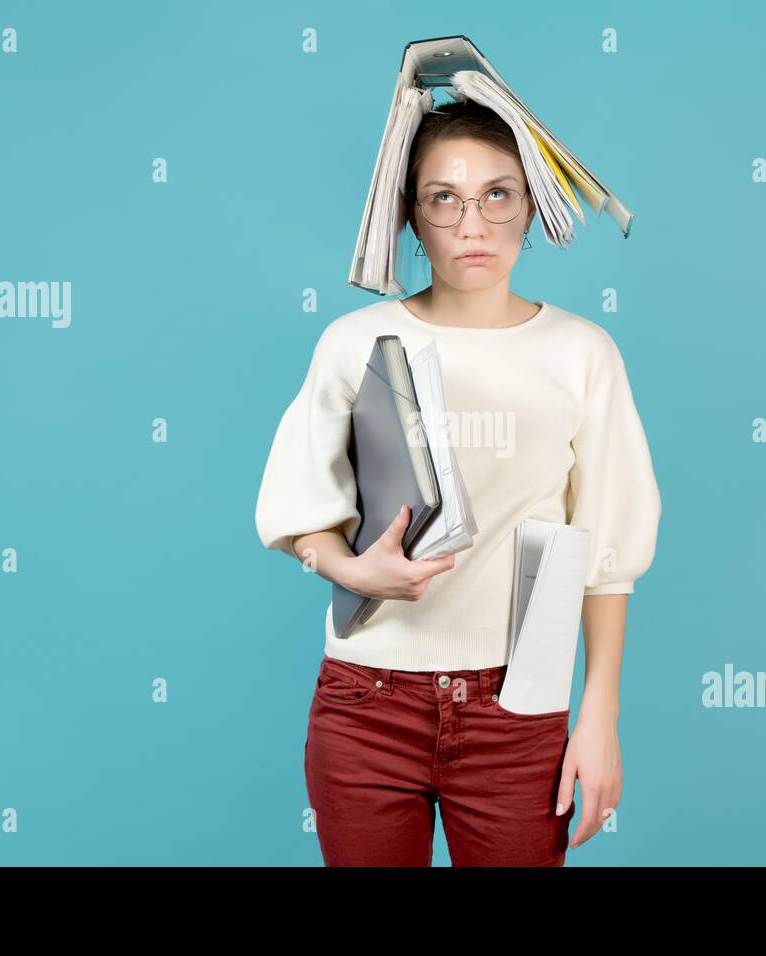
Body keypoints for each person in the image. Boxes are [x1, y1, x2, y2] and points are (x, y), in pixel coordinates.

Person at [255, 99, 662, 866]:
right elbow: (299, 512)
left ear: (534, 207)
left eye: (498, 195)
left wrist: (599, 715)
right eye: (444, 198)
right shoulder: (355, 344)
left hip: (520, 707)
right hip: (366, 705)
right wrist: (349, 567)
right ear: (412, 218)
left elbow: (608, 554)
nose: (472, 225)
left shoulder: (583, 352)